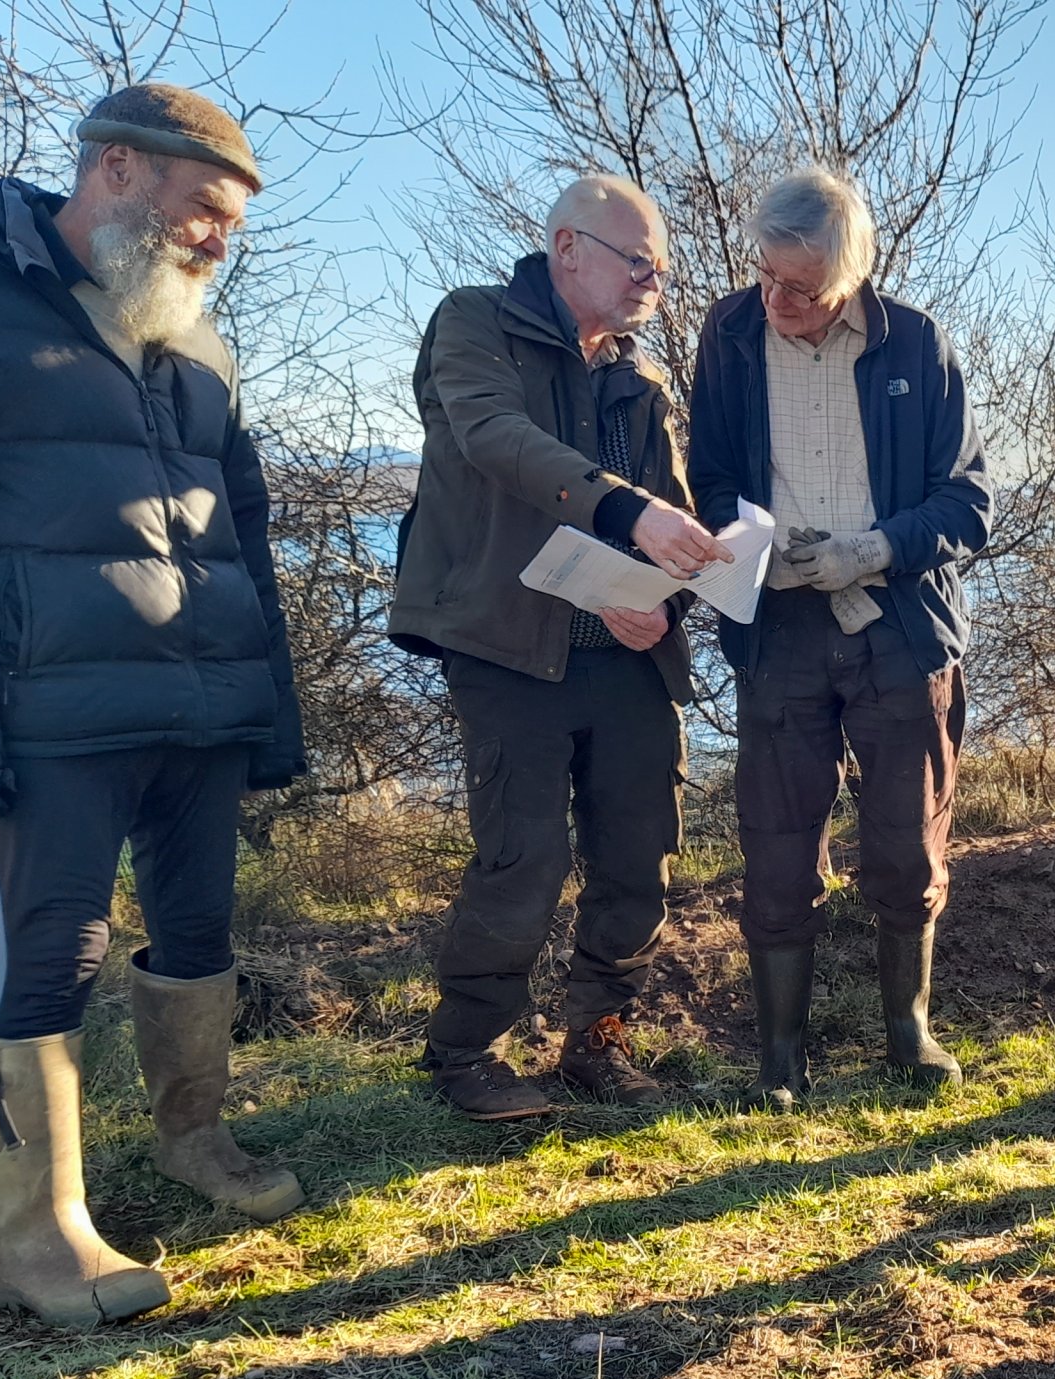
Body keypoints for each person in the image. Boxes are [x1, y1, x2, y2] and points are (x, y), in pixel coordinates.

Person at [0, 84, 307, 1329]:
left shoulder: (191, 332)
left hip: (200, 698)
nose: (219, 242)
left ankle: (194, 1137)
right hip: (44, 704)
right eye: (204, 210)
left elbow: (243, 534)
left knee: (199, 927)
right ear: (116, 170)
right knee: (55, 953)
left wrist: (267, 707)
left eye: (232, 224)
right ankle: (41, 1238)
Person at [396, 175, 727, 1122]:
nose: (653, 283)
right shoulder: (474, 323)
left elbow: (672, 515)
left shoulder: (640, 378)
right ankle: (467, 1053)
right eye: (638, 262)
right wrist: (628, 511)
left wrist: (665, 601)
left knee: (639, 857)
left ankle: (598, 1040)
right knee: (523, 860)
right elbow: (495, 439)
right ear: (568, 248)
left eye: (660, 269)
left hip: (624, 659)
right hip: (507, 648)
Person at [687, 168, 992, 1110]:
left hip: (900, 629)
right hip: (779, 633)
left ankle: (910, 1032)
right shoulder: (728, 336)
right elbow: (707, 475)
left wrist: (874, 549)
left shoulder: (919, 344)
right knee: (777, 847)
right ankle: (780, 1056)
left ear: (853, 276)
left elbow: (968, 502)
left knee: (907, 840)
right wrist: (747, 550)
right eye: (766, 277)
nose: (776, 302)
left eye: (802, 289)